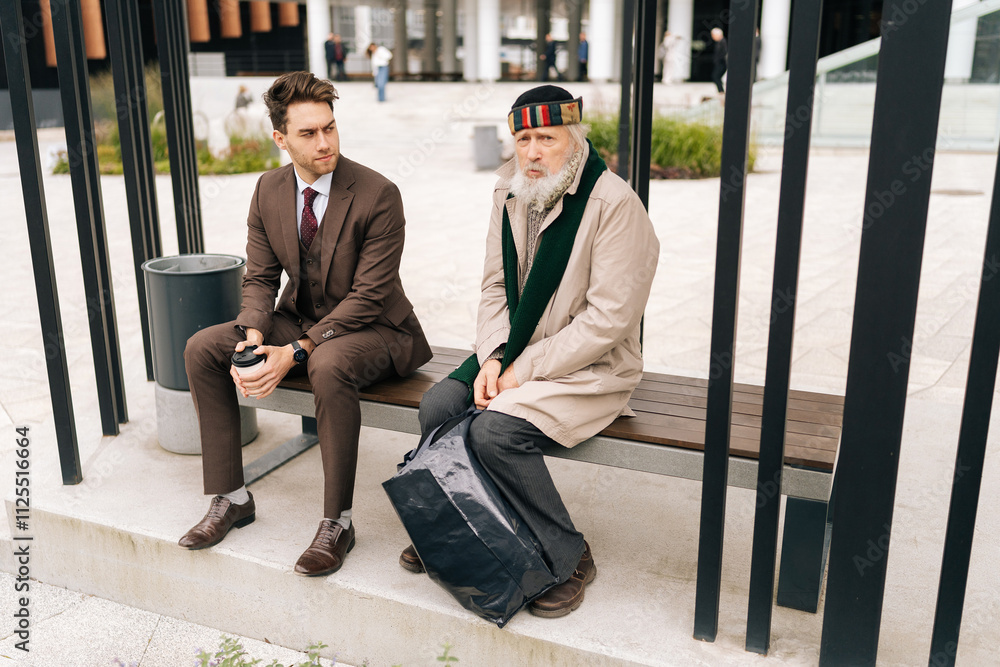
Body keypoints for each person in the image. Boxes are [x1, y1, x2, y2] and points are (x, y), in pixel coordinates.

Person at [397, 85, 659, 618]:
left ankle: (567, 552)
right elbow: (494, 285)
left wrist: (520, 371)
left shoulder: (615, 204)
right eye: (523, 138)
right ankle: (458, 528)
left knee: (497, 432)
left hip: (590, 366)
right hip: (516, 348)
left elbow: (609, 321)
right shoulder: (510, 191)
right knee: (438, 407)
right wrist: (495, 356)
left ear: (575, 139)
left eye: (547, 137)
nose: (533, 152)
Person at [178, 71, 432, 578]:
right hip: (301, 319)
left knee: (329, 362)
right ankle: (231, 497)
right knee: (203, 347)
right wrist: (254, 332)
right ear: (281, 139)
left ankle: (337, 522)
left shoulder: (379, 194)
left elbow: (368, 297)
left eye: (330, 129)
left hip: (379, 329)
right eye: (309, 133)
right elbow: (260, 277)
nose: (325, 142)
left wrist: (295, 350)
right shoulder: (269, 189)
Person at [711, 27, 727, 94]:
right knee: (716, 76)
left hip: (722, 63)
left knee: (716, 76)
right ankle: (721, 91)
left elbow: (724, 53)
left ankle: (721, 91)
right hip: (720, 63)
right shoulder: (719, 42)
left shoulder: (723, 42)